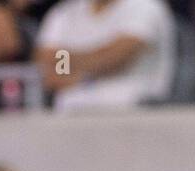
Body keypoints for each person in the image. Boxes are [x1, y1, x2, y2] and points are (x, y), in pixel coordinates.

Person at [34, 0, 177, 112]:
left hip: (133, 111)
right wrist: (94, 66)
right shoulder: (63, 13)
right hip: (69, 115)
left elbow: (116, 58)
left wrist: (66, 58)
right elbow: (50, 71)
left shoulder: (145, 6)